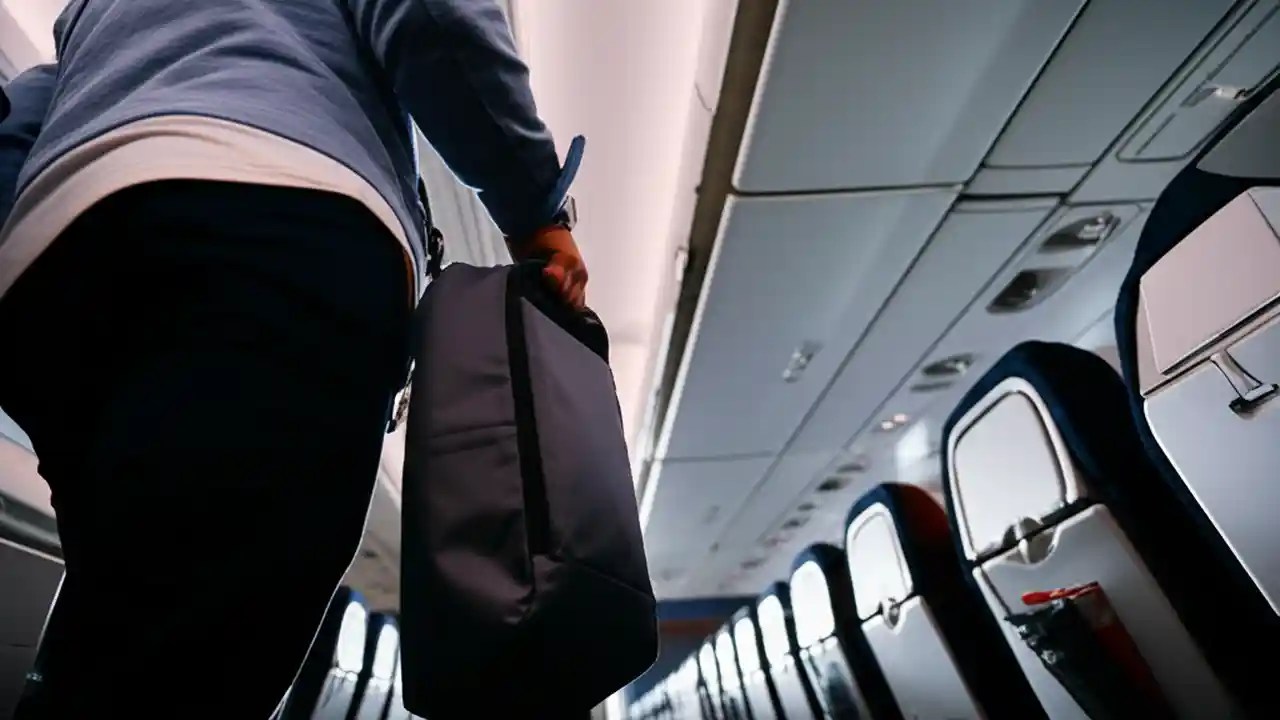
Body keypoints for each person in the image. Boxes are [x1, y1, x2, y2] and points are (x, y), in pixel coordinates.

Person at [0, 1, 588, 717]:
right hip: (268, 231)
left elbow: (22, 120)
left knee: (122, 623)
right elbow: (435, 19)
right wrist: (537, 216)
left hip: (55, 272)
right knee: (200, 660)